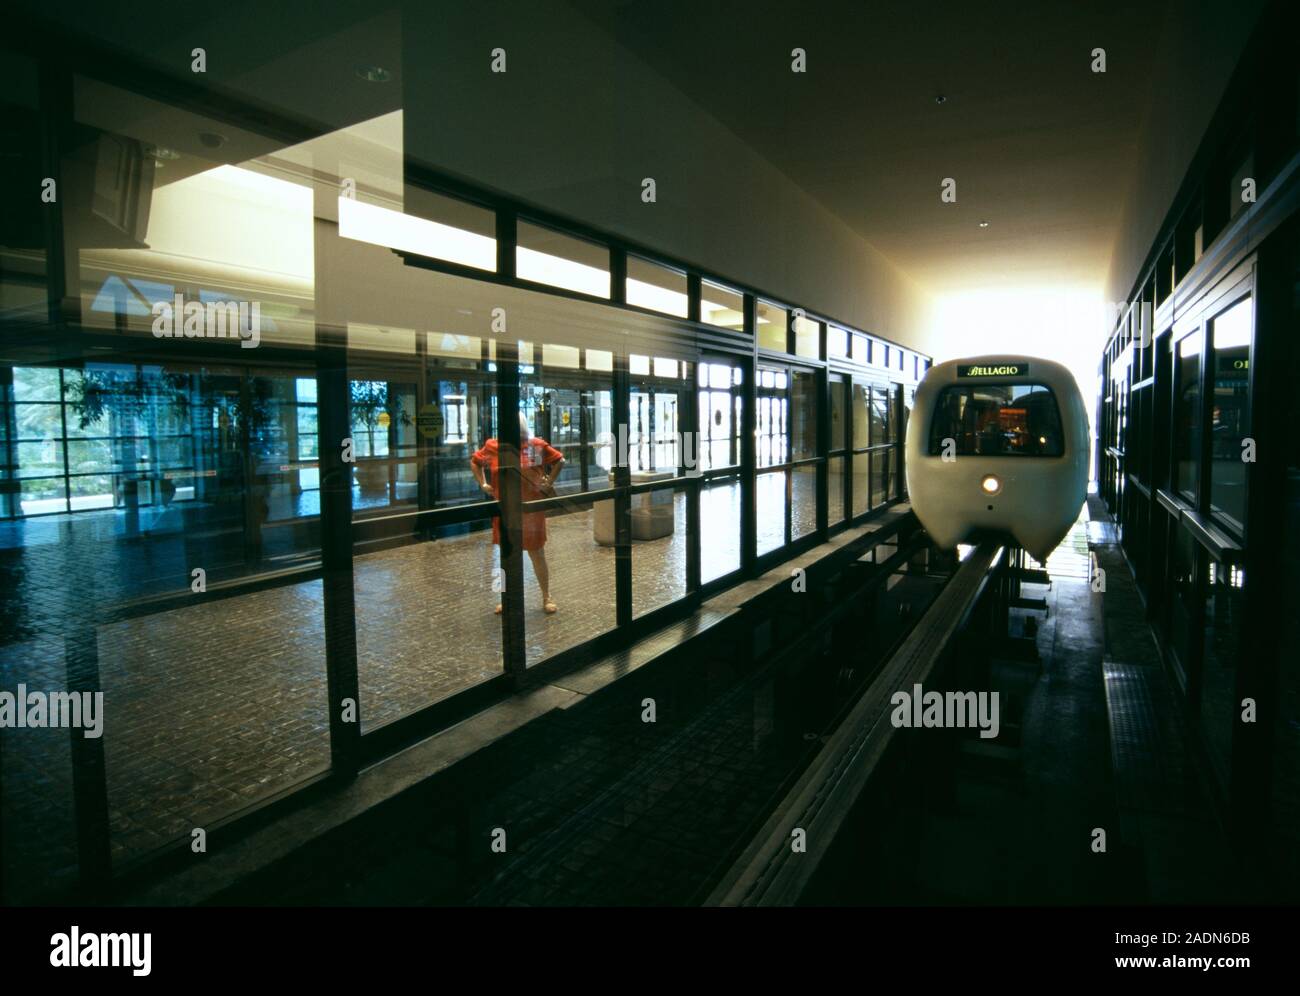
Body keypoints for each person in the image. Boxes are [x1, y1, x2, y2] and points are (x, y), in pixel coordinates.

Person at [470, 411, 565, 614]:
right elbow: (475, 462)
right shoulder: (493, 446)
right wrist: (483, 483)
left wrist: (548, 483)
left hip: (531, 510)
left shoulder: (535, 445)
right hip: (504, 509)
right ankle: (504, 598)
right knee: (504, 555)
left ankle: (546, 596)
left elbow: (559, 460)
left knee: (537, 553)